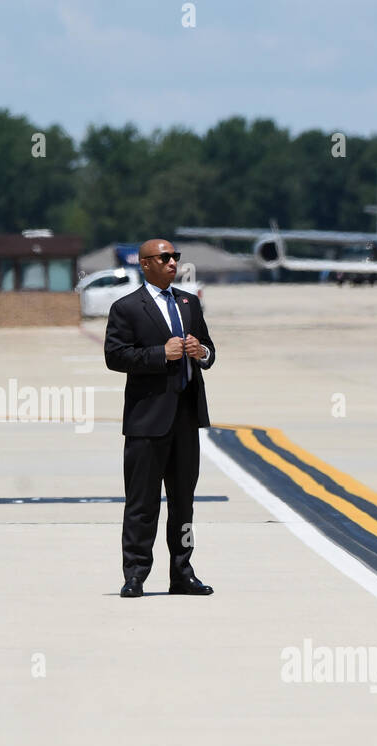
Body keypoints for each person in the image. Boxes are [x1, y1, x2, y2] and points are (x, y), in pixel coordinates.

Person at [105, 239, 216, 598]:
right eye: (164, 258)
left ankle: (182, 573)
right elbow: (115, 356)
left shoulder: (189, 303)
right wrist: (159, 354)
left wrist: (202, 353)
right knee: (142, 503)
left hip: (185, 417)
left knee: (184, 503)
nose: (172, 263)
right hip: (147, 421)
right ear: (145, 264)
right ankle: (135, 574)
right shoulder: (127, 308)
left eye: (175, 257)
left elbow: (211, 351)